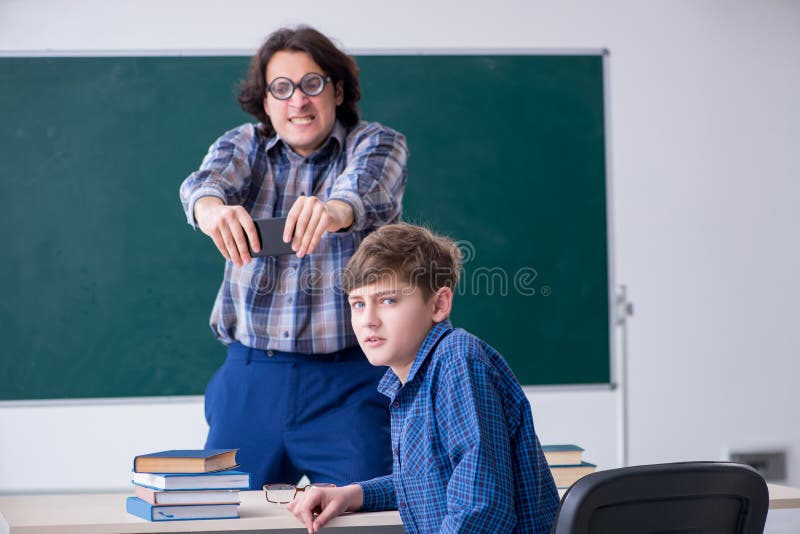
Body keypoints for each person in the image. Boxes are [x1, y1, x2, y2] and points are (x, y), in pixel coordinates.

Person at [178, 26, 408, 489]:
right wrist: (209, 209)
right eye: (280, 89)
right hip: (250, 379)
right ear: (265, 101)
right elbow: (205, 181)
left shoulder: (377, 143)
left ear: (337, 91)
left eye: (312, 84)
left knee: (369, 513)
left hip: (349, 385)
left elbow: (366, 187)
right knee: (227, 515)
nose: (297, 101)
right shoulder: (244, 145)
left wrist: (333, 210)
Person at [287, 223, 560, 533]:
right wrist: (352, 494)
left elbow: (481, 508)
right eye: (358, 304)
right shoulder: (409, 382)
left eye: (388, 300)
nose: (368, 321)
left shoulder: (457, 360)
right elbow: (425, 480)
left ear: (439, 304)